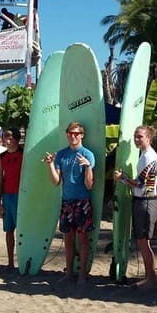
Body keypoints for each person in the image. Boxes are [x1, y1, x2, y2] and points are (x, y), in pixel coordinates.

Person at [43, 122, 96, 284]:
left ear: (82, 135)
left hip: (82, 201)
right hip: (67, 201)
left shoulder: (88, 154)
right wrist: (50, 165)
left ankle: (82, 274)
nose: (73, 136)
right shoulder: (61, 154)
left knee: (83, 238)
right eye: (70, 133)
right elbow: (56, 181)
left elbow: (90, 185)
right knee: (68, 238)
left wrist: (88, 167)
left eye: (76, 133)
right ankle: (69, 273)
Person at [113, 125, 157, 288]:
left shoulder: (148, 156)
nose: (136, 139)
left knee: (143, 242)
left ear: (149, 138)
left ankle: (151, 278)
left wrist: (122, 178)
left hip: (146, 201)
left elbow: (140, 184)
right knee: (142, 241)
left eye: (140, 136)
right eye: (135, 136)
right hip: (143, 200)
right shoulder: (145, 155)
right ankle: (149, 277)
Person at [0, 127, 23, 268]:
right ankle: (10, 262)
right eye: (6, 138)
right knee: (9, 230)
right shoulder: (2, 157)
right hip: (7, 196)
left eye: (11, 138)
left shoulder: (23, 154)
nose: (8, 141)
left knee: (22, 230)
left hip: (21, 196)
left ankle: (22, 260)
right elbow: (0, 179)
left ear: (17, 139)